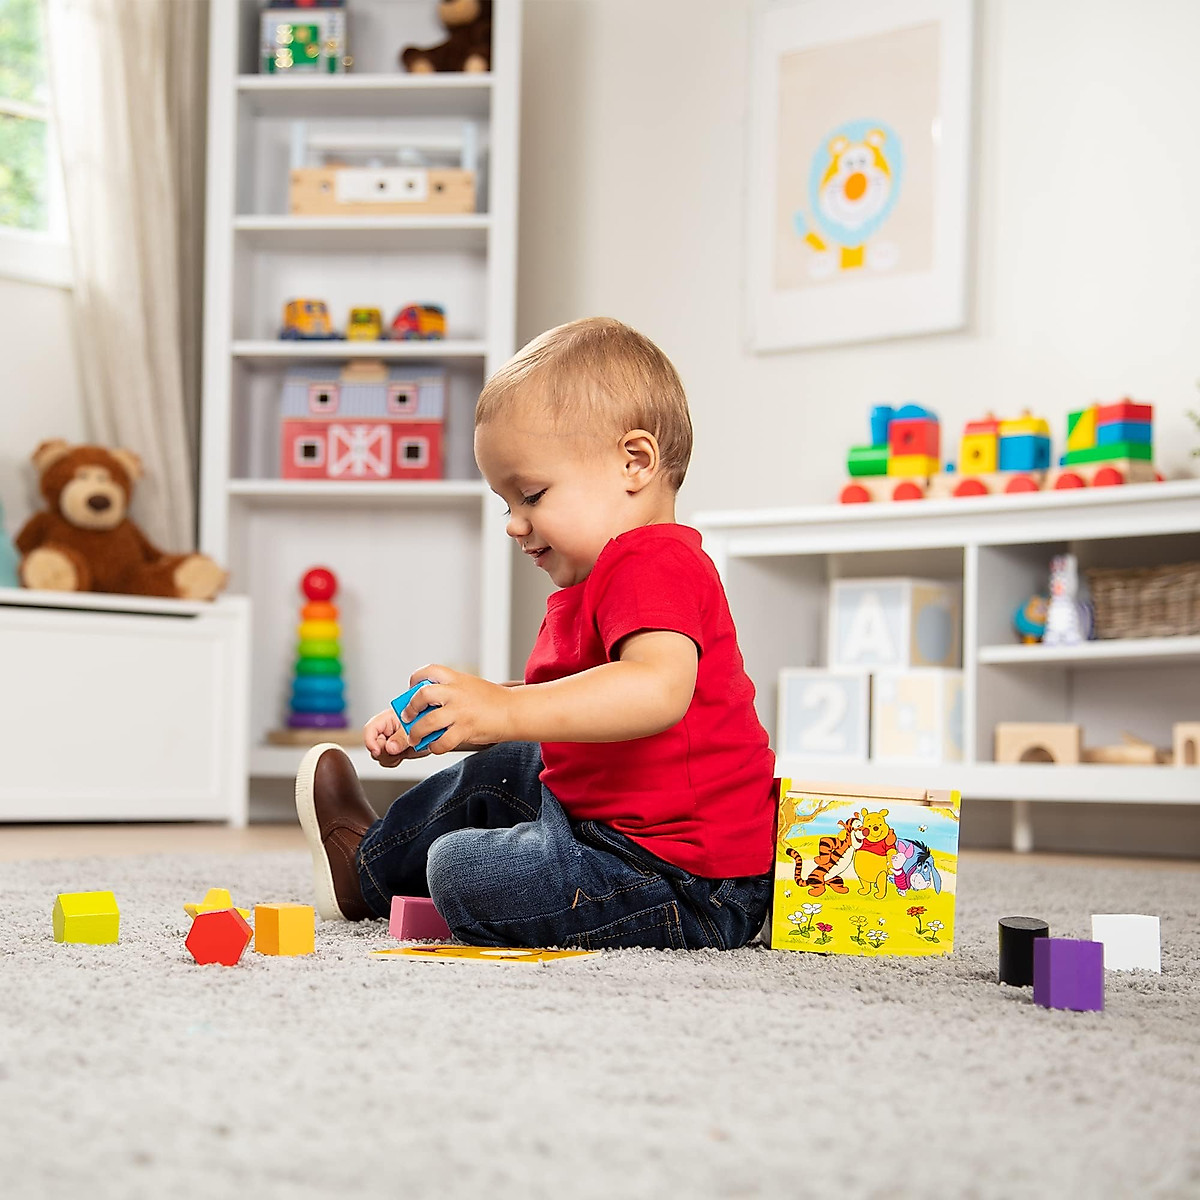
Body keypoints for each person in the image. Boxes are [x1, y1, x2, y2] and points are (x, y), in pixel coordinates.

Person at [295, 317, 776, 950]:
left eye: (532, 495)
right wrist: (466, 712)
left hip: (681, 878)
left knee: (460, 871)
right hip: (611, 827)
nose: (515, 525)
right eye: (506, 504)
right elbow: (586, 701)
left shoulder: (656, 562)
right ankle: (367, 869)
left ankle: (389, 873)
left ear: (634, 462)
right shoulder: (610, 573)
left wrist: (507, 708)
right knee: (515, 759)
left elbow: (657, 690)